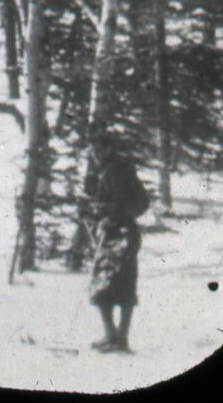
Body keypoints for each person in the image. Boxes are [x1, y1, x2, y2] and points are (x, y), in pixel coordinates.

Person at [84, 131, 152, 353]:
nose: (94, 153)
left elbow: (122, 200)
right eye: (92, 148)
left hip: (119, 234)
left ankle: (118, 338)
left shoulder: (115, 170)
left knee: (110, 284)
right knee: (115, 284)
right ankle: (115, 336)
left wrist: (110, 221)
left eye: (98, 148)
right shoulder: (112, 169)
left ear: (107, 149)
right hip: (122, 232)